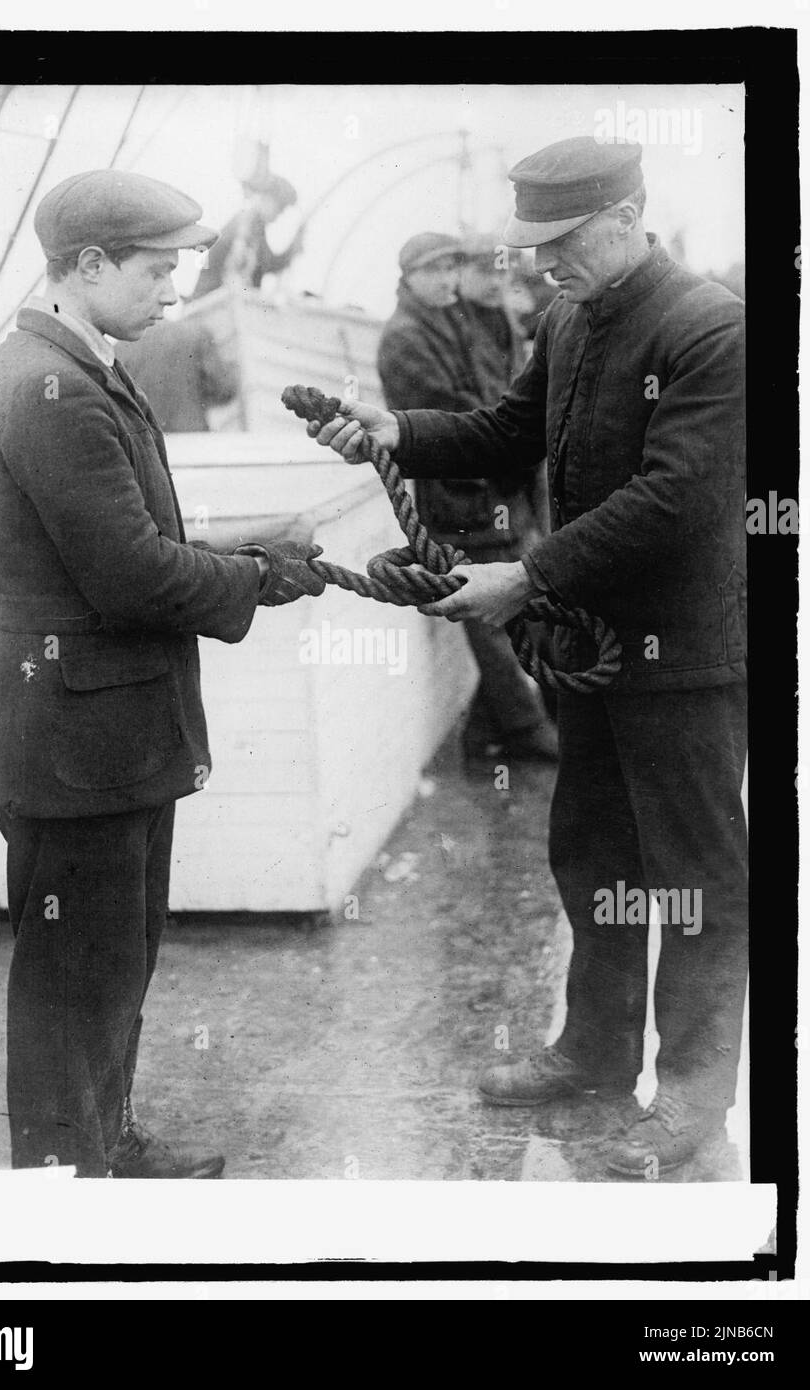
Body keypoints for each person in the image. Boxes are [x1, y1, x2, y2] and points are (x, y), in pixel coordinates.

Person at [306, 137, 747, 1177]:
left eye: (563, 242)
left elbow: (676, 499)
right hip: (591, 654)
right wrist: (394, 431)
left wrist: (530, 575)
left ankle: (690, 1088)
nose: (542, 264)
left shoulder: (710, 329)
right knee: (593, 856)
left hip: (682, 659)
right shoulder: (570, 316)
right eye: (533, 246)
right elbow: (509, 431)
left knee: (696, 878)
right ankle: (595, 1049)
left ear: (630, 217)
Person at [0, 169, 325, 1179]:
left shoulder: (78, 367)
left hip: (99, 728)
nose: (175, 293)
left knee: (111, 954)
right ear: (86, 266)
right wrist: (257, 575)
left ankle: (102, 1144)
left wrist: (251, 546)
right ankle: (61, 1185)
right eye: (158, 270)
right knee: (73, 971)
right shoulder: (51, 390)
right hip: (80, 737)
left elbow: (132, 540)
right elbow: (129, 576)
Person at [377, 232, 556, 766]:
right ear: (407, 277)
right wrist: (508, 443)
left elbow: (493, 398)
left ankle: (486, 735)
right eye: (433, 271)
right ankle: (522, 728)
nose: (446, 280)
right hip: (457, 500)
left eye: (451, 268)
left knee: (516, 610)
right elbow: (444, 418)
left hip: (496, 490)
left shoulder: (460, 319)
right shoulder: (405, 336)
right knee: (491, 618)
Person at [114, 312, 239, 432]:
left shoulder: (121, 347)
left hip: (148, 446)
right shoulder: (196, 334)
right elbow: (224, 390)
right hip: (193, 441)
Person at [190, 171, 303, 299]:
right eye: (280, 207)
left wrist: (293, 249)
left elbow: (267, 264)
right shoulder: (244, 227)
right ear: (266, 197)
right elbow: (238, 273)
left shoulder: (256, 229)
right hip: (212, 305)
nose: (279, 214)